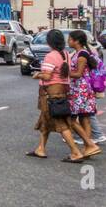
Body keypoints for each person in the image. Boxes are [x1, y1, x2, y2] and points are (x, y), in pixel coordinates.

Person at [28, 29, 85, 162]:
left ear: (50, 42)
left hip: (50, 93)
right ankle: (41, 149)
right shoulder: (66, 54)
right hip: (62, 91)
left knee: (60, 124)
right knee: (45, 120)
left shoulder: (51, 55)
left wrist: (37, 75)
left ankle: (76, 152)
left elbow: (47, 75)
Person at [65, 30, 103, 157]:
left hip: (81, 89)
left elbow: (79, 73)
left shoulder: (81, 54)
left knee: (71, 119)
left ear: (76, 41)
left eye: (70, 39)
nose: (68, 41)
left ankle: (90, 144)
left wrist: (65, 72)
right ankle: (88, 148)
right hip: (82, 89)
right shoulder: (79, 53)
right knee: (84, 118)